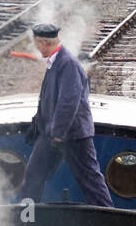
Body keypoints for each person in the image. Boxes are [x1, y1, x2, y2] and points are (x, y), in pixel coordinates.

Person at [17, 23, 114, 209]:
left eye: (37, 43)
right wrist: (37, 125)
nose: (36, 48)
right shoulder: (56, 61)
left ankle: (110, 220)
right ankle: (26, 219)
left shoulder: (67, 64)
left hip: (72, 134)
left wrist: (58, 134)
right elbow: (48, 99)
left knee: (90, 180)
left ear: (44, 42)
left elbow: (69, 102)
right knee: (34, 176)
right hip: (53, 133)